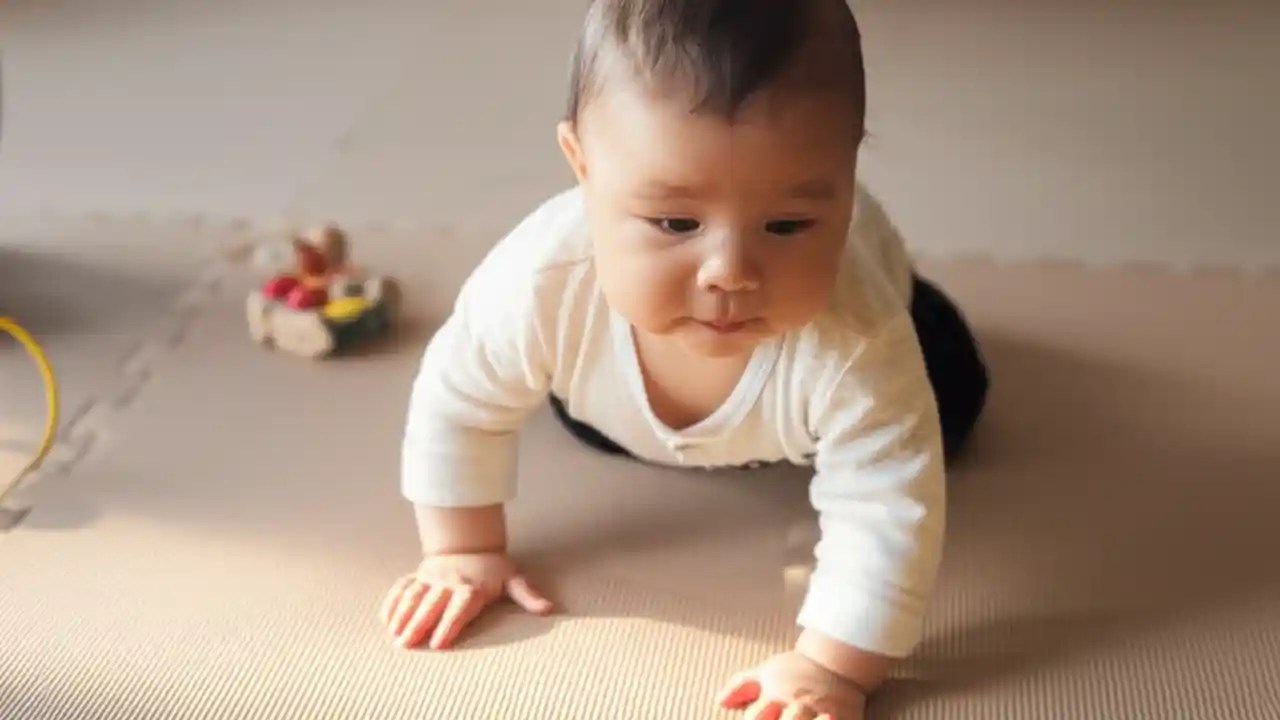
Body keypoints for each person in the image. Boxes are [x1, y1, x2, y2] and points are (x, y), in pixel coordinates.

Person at [381, 1, 989, 717]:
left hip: (836, 381)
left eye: (788, 224)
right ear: (582, 164)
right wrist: (464, 549)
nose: (731, 271)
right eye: (675, 222)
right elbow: (459, 399)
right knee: (572, 405)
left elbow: (891, 503)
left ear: (848, 181)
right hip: (620, 409)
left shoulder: (860, 334)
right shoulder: (536, 282)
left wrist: (834, 665)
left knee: (949, 404)